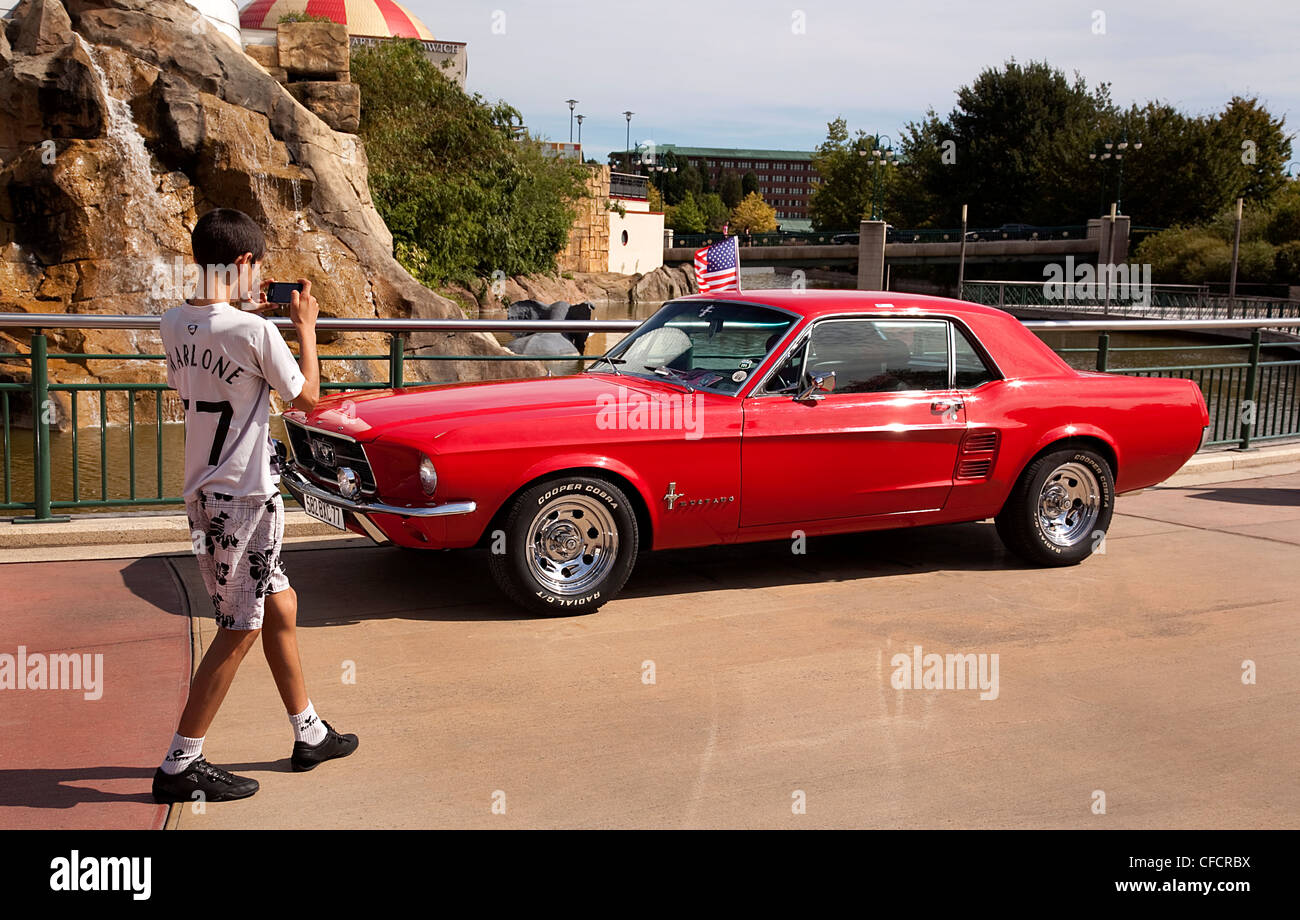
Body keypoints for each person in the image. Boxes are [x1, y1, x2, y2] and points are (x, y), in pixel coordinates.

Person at [152, 208, 357, 804]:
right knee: (239, 628)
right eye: (256, 268)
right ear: (244, 263)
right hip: (246, 497)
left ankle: (309, 732)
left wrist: (248, 318)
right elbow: (308, 398)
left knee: (281, 606)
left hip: (203, 495)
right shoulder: (256, 333)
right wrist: (305, 327)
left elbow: (208, 366)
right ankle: (179, 763)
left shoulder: (173, 323)